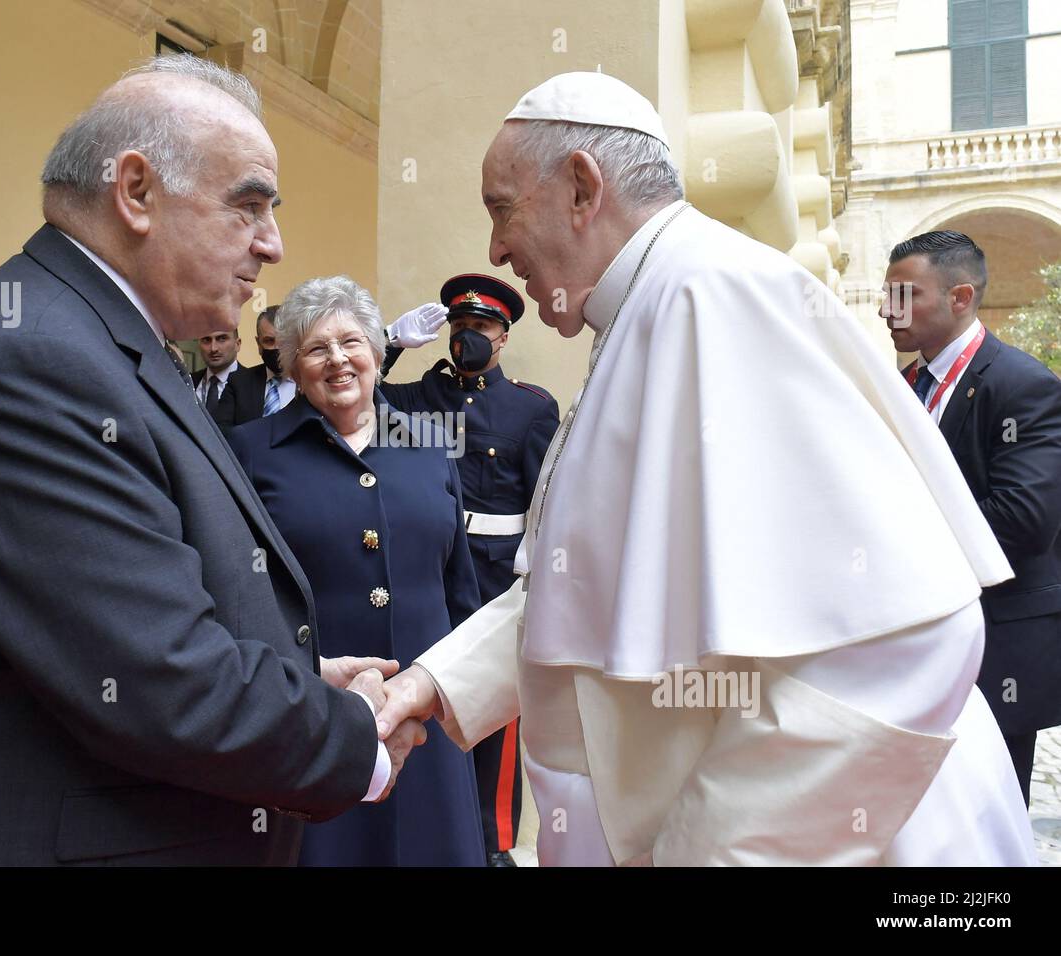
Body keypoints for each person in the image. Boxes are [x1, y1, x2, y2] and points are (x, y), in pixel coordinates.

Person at [376, 71, 1036, 866]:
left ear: (582, 187)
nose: (496, 248)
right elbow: (581, 586)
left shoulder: (715, 295)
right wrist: (432, 683)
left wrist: (704, 852)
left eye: (501, 208)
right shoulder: (649, 307)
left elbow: (908, 638)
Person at [0, 54, 426, 867]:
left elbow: (130, 610)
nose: (272, 244)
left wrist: (295, 675)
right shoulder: (33, 363)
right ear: (137, 192)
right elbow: (155, 681)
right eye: (248, 205)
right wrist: (352, 738)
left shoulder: (96, 341)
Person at [227, 276, 485, 866]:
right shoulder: (249, 451)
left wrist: (462, 695)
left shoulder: (428, 443)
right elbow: (240, 591)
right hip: (314, 717)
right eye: (317, 349)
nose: (338, 360)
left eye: (352, 343)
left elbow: (460, 590)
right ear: (292, 364)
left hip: (427, 719)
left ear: (376, 350)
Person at [381, 273, 558, 865]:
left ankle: (494, 846)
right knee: (426, 704)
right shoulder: (418, 398)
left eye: (479, 328)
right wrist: (388, 345)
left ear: (502, 338)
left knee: (490, 718)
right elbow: (352, 400)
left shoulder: (530, 409)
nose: (466, 338)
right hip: (428, 575)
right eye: (458, 328)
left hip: (490, 580)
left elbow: (546, 504)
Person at [883, 230, 1061, 805]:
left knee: (991, 813)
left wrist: (892, 534)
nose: (889, 311)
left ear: (960, 298)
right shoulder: (902, 385)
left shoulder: (1025, 386)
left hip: (998, 651)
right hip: (914, 647)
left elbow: (1023, 519)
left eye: (905, 296)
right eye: (886, 296)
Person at [219, 305, 297, 424]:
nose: (277, 348)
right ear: (259, 344)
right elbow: (222, 433)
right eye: (269, 341)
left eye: (283, 341)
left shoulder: (312, 383)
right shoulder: (238, 383)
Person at [195, 326, 240, 420]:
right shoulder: (188, 382)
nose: (213, 348)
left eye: (222, 339)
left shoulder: (254, 384)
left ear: (237, 344)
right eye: (206, 340)